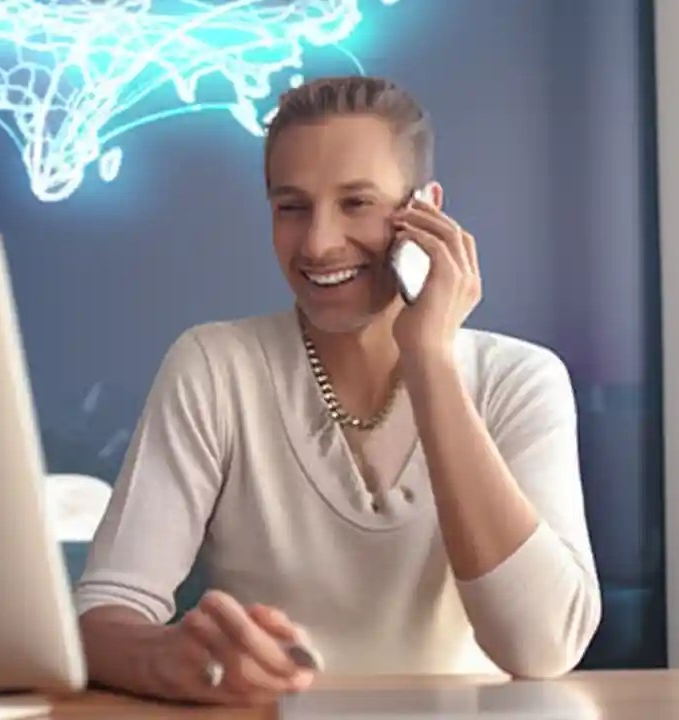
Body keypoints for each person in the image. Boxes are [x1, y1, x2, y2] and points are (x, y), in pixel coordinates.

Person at [74, 75, 601, 706]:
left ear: (426, 213)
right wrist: (175, 658)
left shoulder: (519, 381)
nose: (319, 243)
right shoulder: (215, 366)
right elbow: (101, 618)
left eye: (357, 203)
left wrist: (429, 356)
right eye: (291, 207)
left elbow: (542, 646)